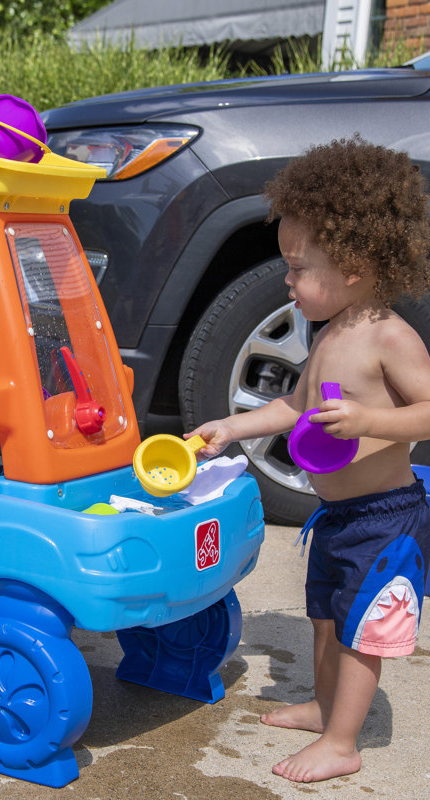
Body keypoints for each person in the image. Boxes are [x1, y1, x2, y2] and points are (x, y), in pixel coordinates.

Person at [186, 136, 430, 783]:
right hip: (338, 515)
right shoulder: (331, 333)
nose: (287, 282)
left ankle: (343, 742)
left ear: (350, 264)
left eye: (297, 268)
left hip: (385, 518)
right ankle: (326, 708)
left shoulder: (389, 337)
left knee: (359, 631)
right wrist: (232, 427)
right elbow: (293, 407)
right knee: (324, 618)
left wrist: (371, 420)